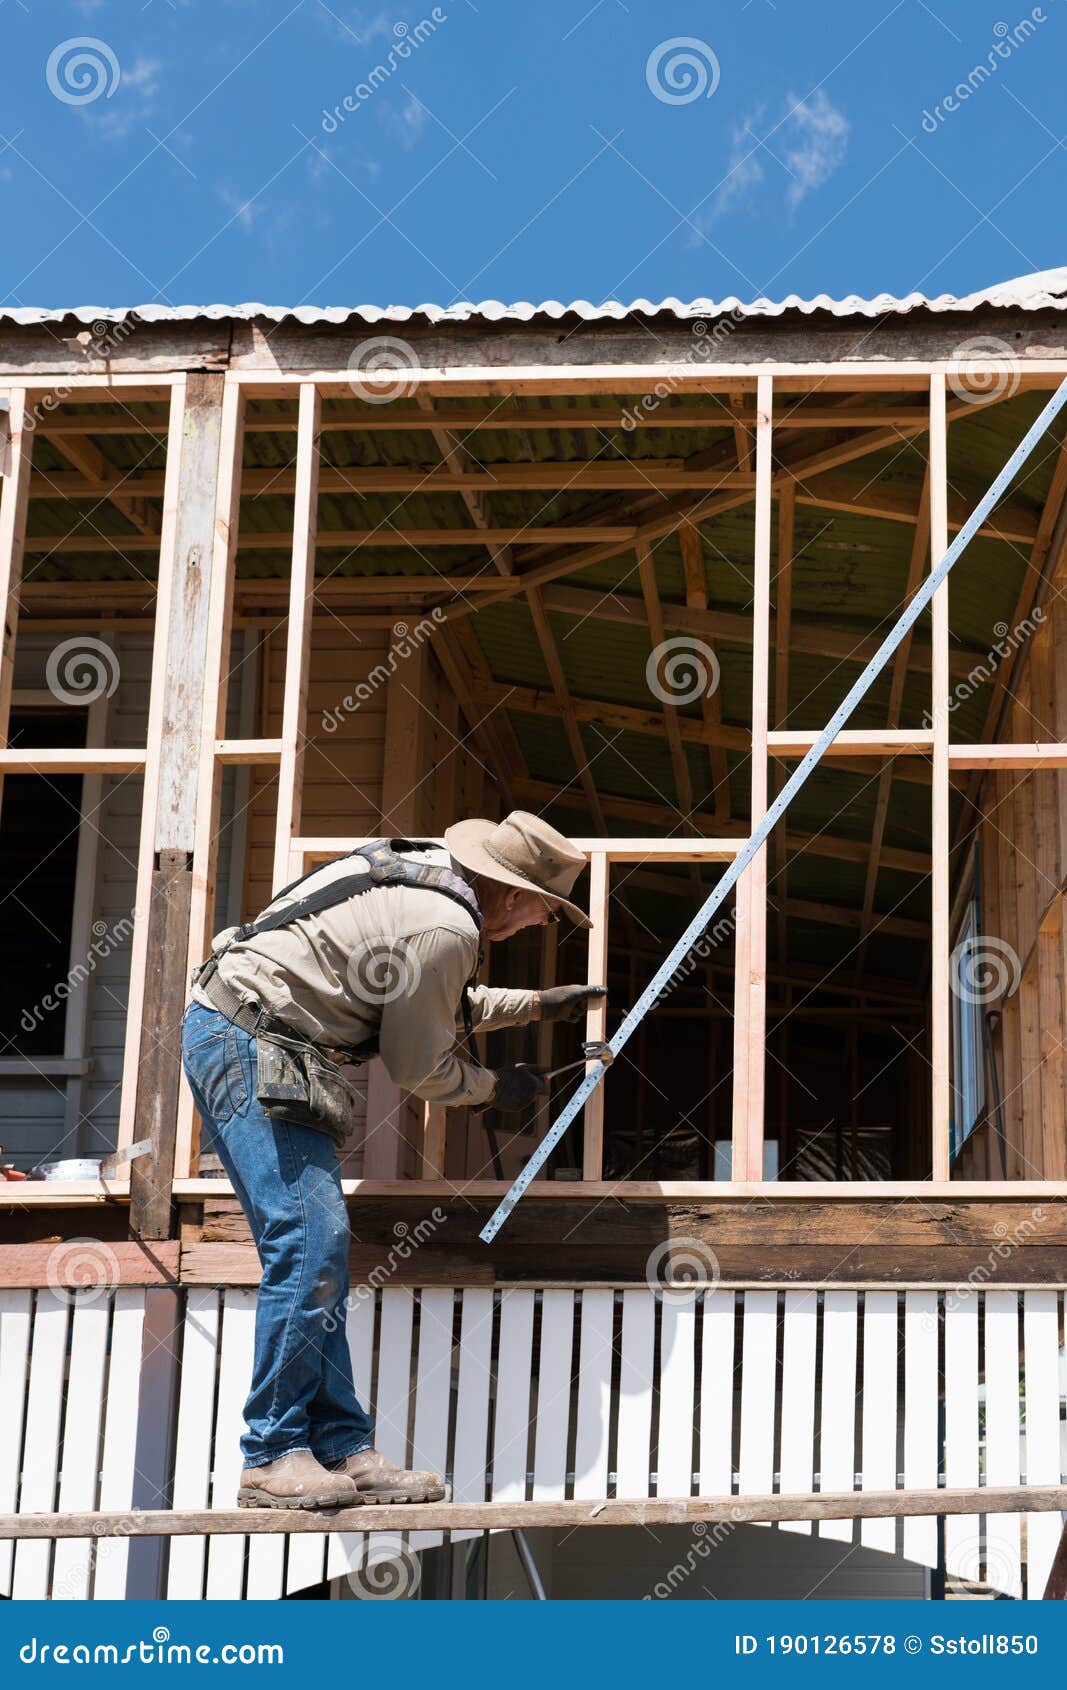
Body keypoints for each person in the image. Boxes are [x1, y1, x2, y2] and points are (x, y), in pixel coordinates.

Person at [181, 811, 606, 1510]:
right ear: (508, 892)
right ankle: (271, 1455)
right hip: (250, 1040)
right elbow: (418, 1062)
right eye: (543, 912)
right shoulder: (448, 927)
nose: (538, 925)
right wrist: (496, 1088)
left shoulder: (426, 877)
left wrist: (533, 1006)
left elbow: (421, 996)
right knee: (311, 1243)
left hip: (246, 1029)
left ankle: (342, 1450)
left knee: (315, 1251)